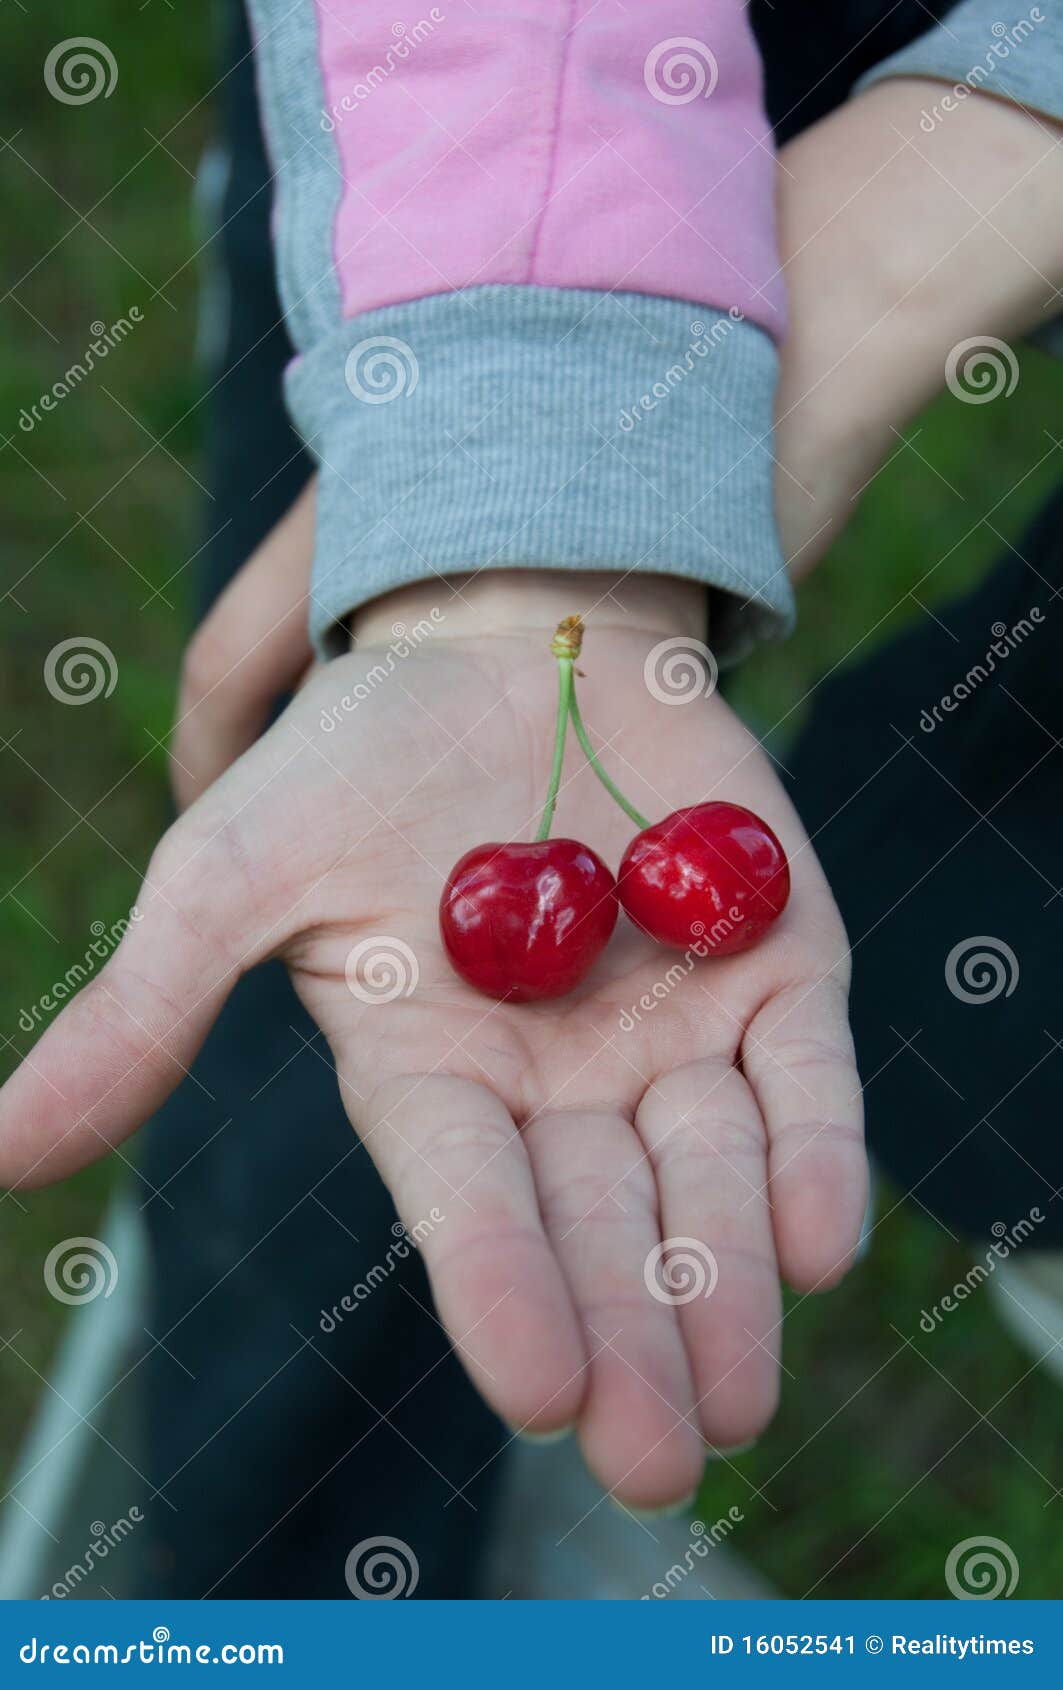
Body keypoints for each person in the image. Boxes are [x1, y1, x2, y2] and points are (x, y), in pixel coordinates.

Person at [3, 0, 1061, 1598]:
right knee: (331, 994)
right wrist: (514, 439)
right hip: (463, 126)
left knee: (961, 933)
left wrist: (983, 152)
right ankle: (305, 1591)